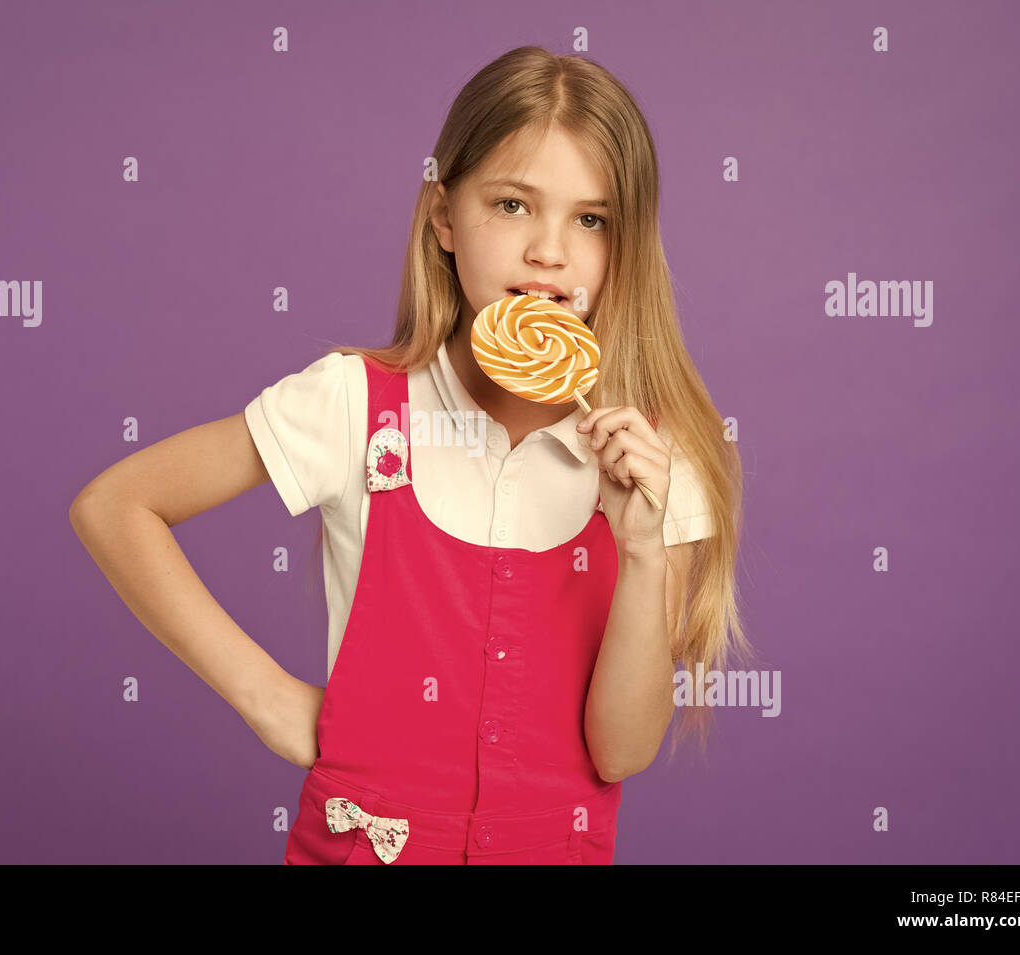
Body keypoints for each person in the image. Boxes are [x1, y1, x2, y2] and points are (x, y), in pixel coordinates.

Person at [70, 46, 751, 865]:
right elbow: (116, 504)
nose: (549, 251)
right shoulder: (357, 405)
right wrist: (268, 697)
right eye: (511, 205)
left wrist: (641, 550)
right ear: (443, 217)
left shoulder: (653, 456)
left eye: (591, 219)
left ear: (622, 248)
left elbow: (620, 751)